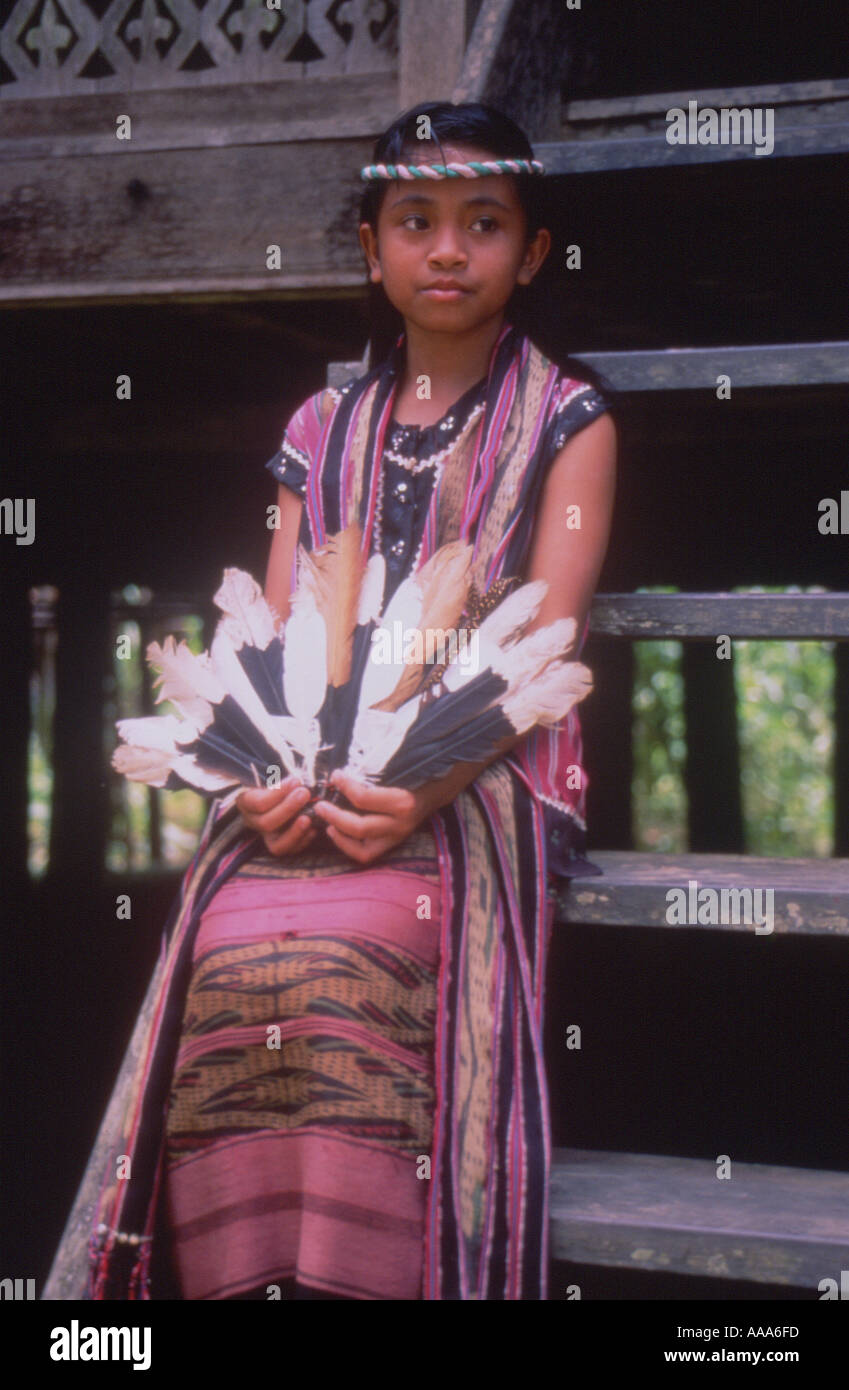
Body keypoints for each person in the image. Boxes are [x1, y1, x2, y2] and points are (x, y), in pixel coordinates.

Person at [79, 100, 617, 1302]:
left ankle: (380, 1272)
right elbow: (273, 638)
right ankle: (250, 1271)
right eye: (413, 222)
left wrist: (419, 783)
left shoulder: (570, 421)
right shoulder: (319, 430)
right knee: (230, 944)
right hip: (313, 756)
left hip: (488, 763)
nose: (445, 250)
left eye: (482, 225)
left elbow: (553, 633)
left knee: (366, 941)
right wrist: (275, 781)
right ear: (370, 249)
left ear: (530, 254)